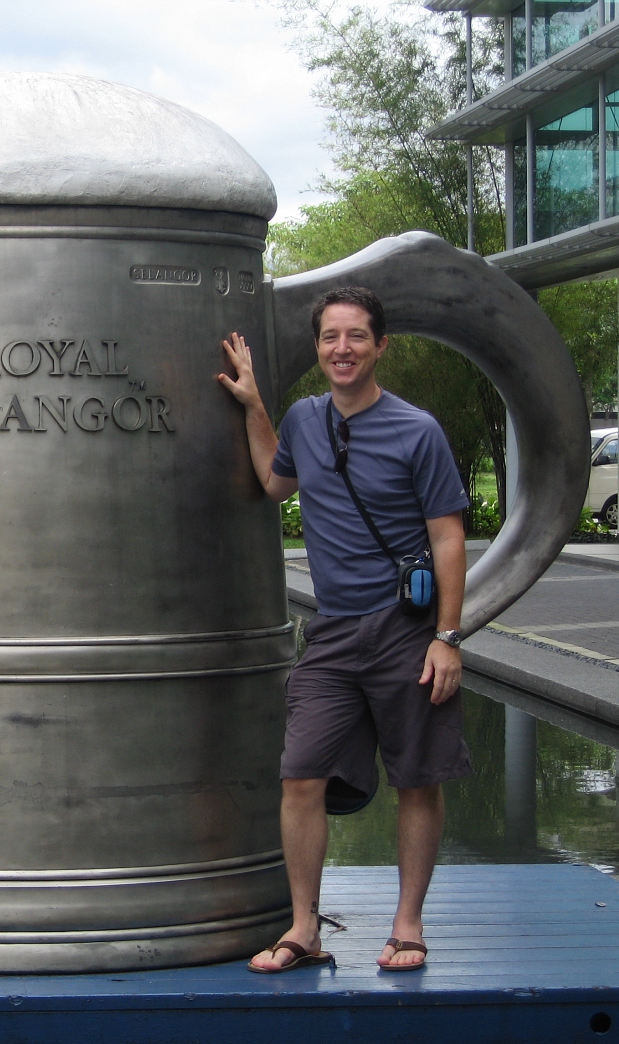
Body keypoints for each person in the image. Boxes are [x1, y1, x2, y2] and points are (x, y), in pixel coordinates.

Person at [217, 287, 469, 974]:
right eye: (331, 336)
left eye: (356, 335)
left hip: (406, 630)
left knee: (417, 778)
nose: (342, 348)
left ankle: (407, 925)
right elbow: (276, 483)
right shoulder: (304, 419)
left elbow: (448, 537)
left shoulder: (417, 430)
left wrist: (448, 637)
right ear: (320, 346)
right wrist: (254, 405)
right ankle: (305, 927)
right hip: (331, 633)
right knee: (301, 776)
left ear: (380, 345)